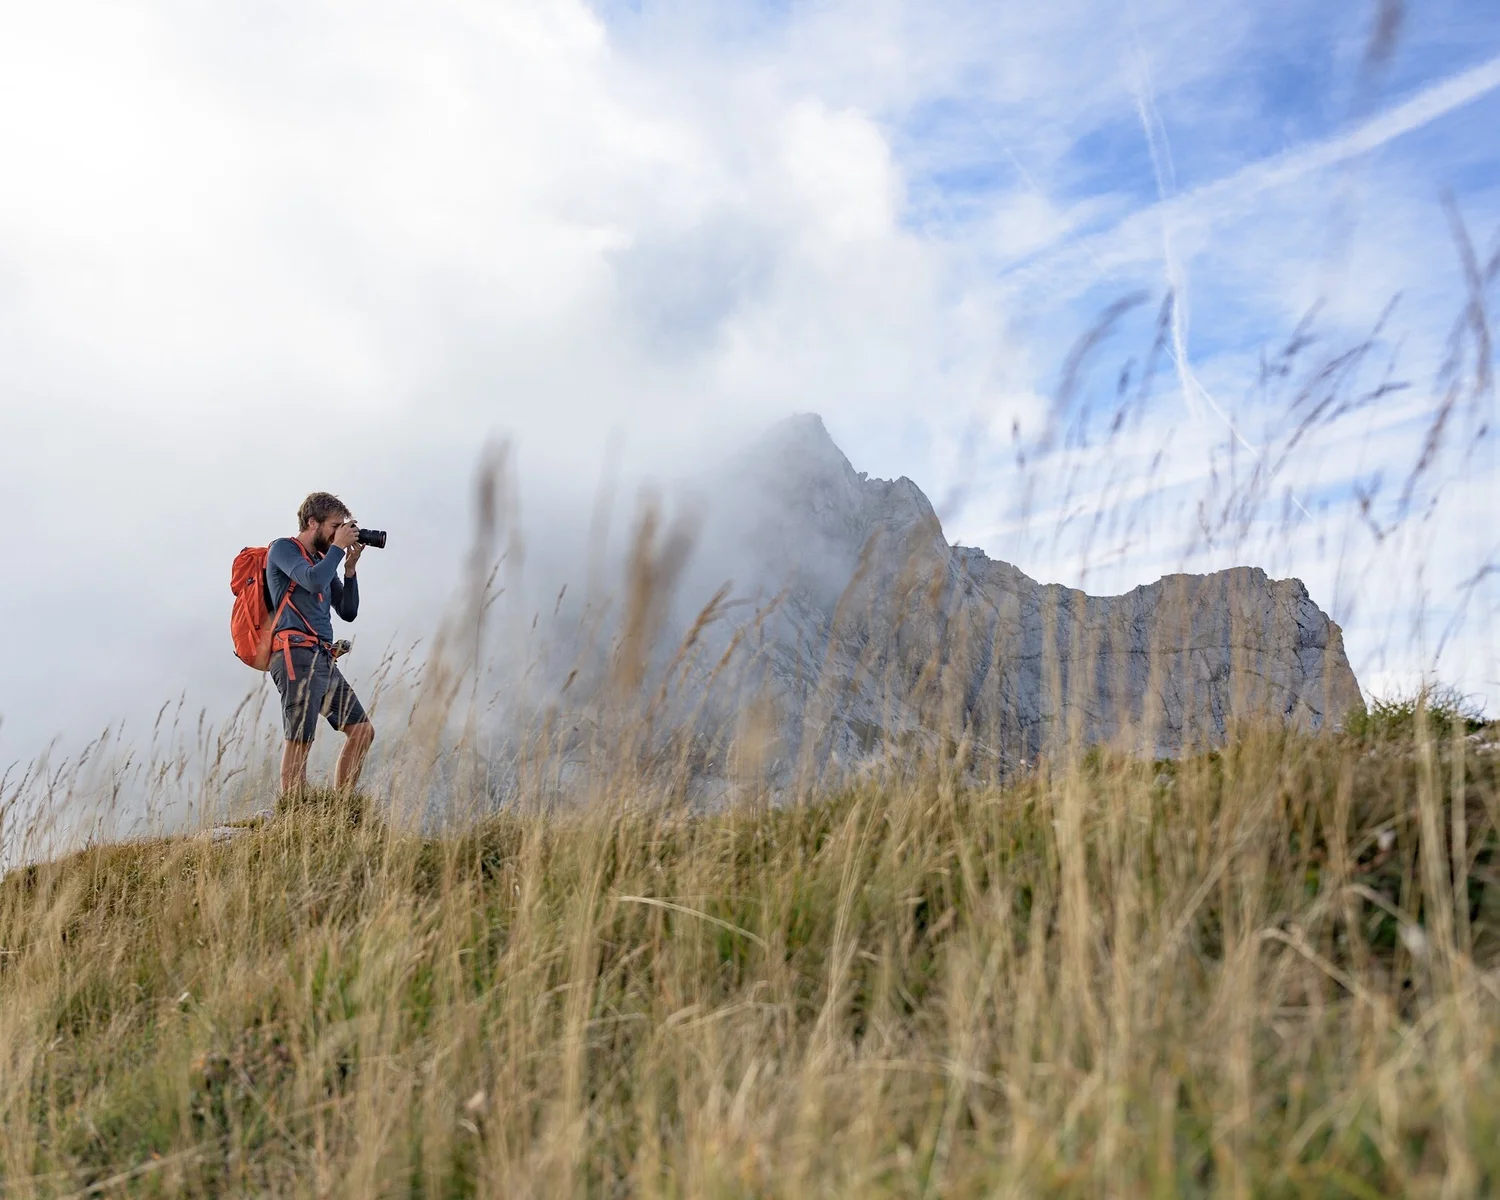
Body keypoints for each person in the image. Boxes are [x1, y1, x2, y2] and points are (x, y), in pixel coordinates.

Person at [267, 492, 376, 797]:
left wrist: (350, 570)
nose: (338, 532)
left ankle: (342, 807)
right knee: (301, 736)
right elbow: (312, 581)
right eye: (334, 526)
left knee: (362, 731)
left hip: (322, 658)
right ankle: (294, 812)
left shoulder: (322, 560)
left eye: (343, 526)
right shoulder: (283, 549)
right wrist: (338, 550)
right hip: (294, 654)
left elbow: (348, 611)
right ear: (312, 522)